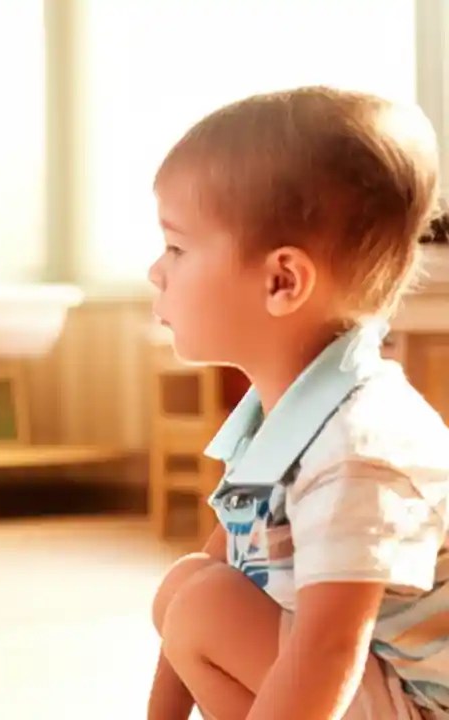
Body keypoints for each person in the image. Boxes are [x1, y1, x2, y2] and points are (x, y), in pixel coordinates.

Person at [145, 85, 449, 720]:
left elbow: (328, 651)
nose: (156, 271)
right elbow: (217, 561)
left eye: (177, 248)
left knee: (204, 605)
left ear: (282, 281)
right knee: (187, 586)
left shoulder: (359, 447)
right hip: (372, 686)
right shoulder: (284, 412)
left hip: (418, 702)